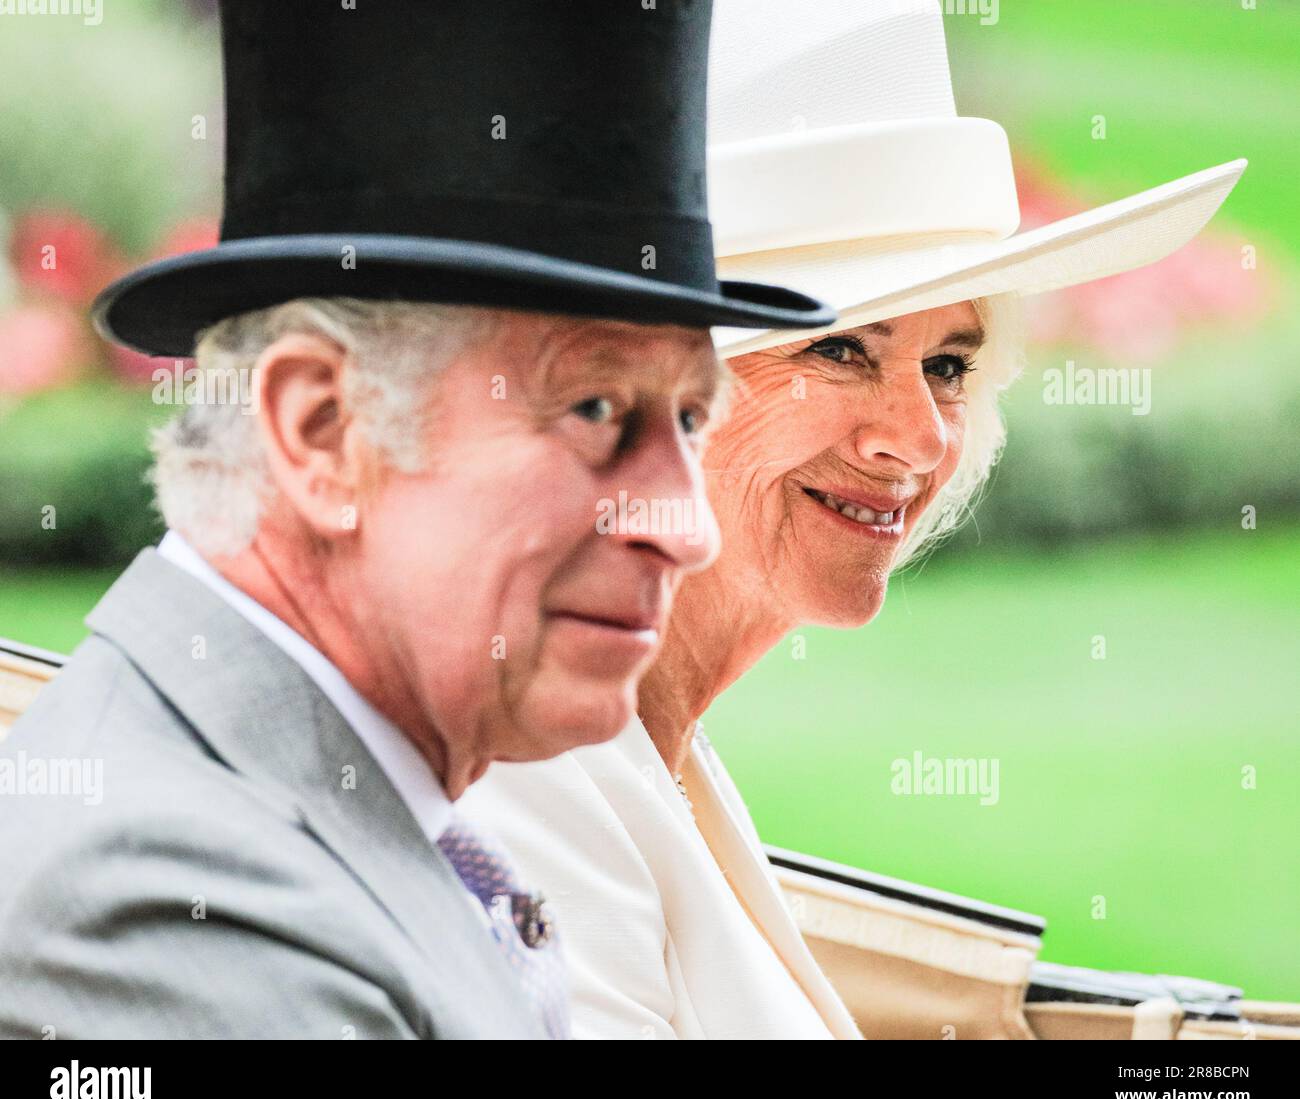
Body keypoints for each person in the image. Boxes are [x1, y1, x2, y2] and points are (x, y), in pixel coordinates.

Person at [0, 1, 834, 1040]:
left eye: (693, 416)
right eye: (595, 407)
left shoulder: (327, 813)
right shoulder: (169, 914)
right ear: (322, 431)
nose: (687, 526)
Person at [456, 0, 1247, 1038]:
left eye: (949, 365)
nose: (915, 438)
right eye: (840, 350)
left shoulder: (657, 745)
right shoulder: (525, 775)